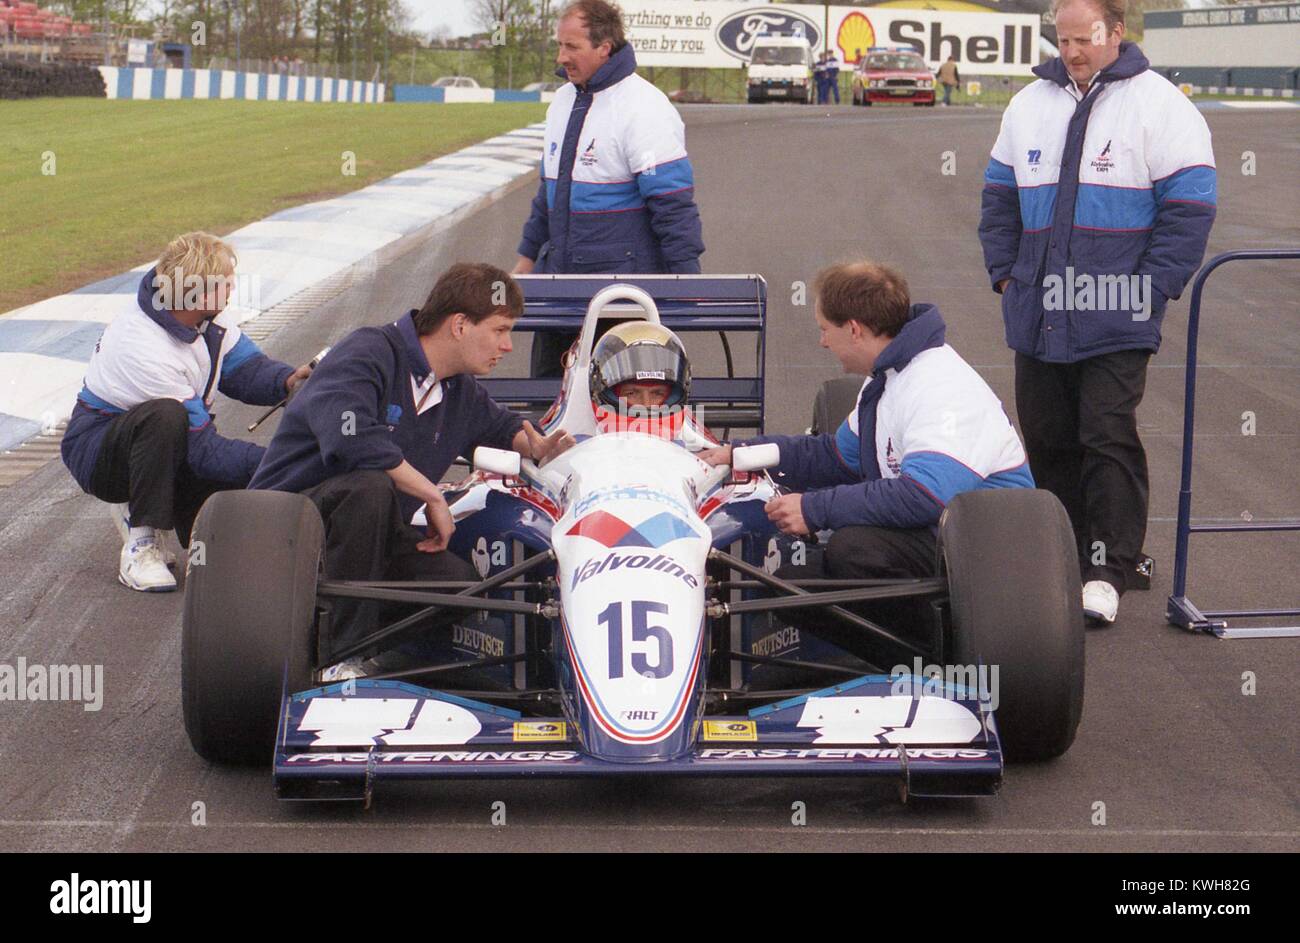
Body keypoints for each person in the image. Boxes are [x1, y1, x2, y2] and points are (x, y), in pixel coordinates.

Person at [978, 0, 1216, 625]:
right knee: (1048, 437)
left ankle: (1109, 571)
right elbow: (998, 196)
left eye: (1084, 39)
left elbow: (1190, 209)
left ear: (1117, 33)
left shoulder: (1162, 105)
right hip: (1037, 309)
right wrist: (1006, 274)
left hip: (1117, 311)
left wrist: (1150, 289)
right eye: (1063, 39)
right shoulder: (1027, 104)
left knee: (1106, 434)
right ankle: (1063, 559)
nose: (1073, 51)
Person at [250, 263, 573, 674]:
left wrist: (538, 446)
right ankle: (339, 658)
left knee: (461, 590)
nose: (508, 346)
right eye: (500, 329)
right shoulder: (368, 349)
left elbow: (503, 427)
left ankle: (354, 653)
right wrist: (431, 492)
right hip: (286, 533)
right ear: (459, 325)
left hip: (368, 539)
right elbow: (348, 437)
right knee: (369, 486)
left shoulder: (457, 389)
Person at [699, 261, 1033, 582]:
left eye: (825, 329)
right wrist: (738, 454)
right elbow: (836, 456)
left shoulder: (940, 386)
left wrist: (814, 510)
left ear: (854, 329)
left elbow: (925, 497)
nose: (823, 341)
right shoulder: (888, 377)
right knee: (789, 579)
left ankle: (937, 640)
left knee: (853, 549)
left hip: (991, 555)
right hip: (943, 535)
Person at [60, 232, 311, 593]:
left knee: (225, 542)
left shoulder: (203, 317)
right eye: (226, 282)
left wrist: (288, 380)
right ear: (200, 294)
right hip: (99, 451)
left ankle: (150, 499)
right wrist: (284, 460)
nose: (233, 287)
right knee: (166, 417)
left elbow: (245, 369)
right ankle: (140, 544)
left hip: (162, 443)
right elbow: (202, 452)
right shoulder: (141, 345)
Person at [515, 0, 705, 376]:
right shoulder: (562, 101)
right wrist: (523, 263)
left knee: (617, 418)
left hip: (624, 301)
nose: (561, 56)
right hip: (560, 292)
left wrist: (688, 284)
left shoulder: (645, 107)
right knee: (550, 409)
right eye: (560, 45)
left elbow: (673, 207)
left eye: (572, 47)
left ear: (604, 47)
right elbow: (547, 197)